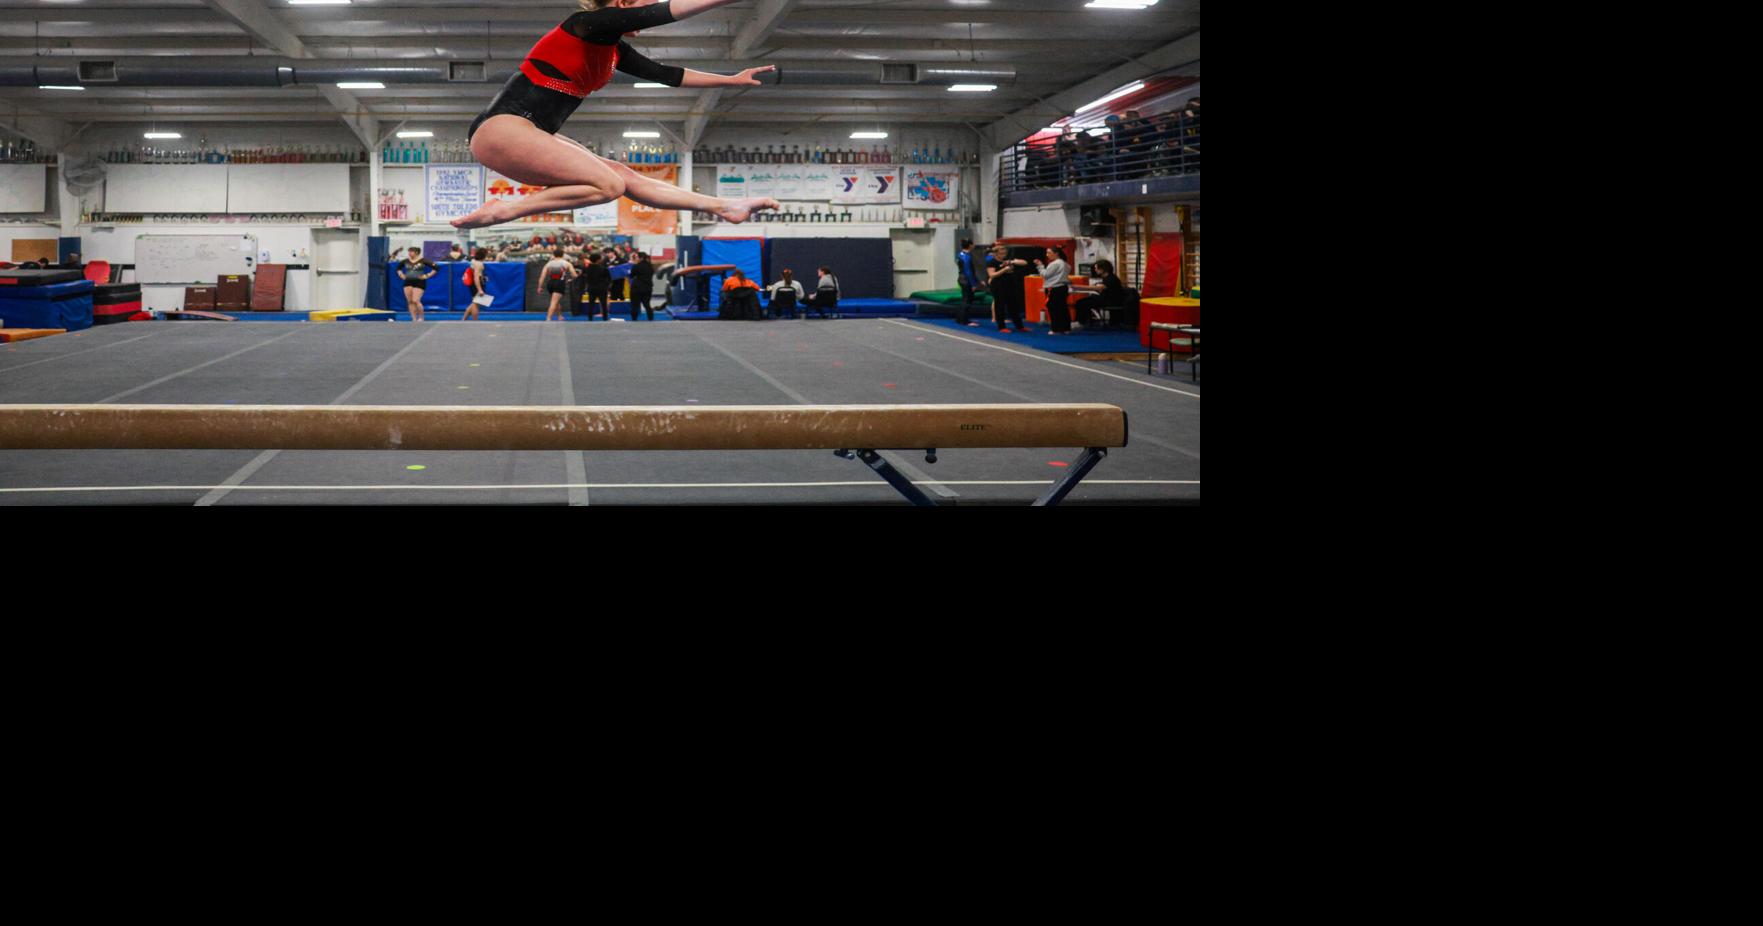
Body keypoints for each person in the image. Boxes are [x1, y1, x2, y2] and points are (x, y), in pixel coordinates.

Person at [453, 0, 781, 229]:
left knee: (625, 178)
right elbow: (667, 12)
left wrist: (731, 79)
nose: (648, 11)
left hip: (528, 130)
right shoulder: (585, 25)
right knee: (608, 185)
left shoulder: (612, 49)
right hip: (504, 128)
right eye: (644, 3)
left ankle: (724, 206)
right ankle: (504, 211)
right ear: (623, 4)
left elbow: (668, 75)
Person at [984, 245, 1030, 332]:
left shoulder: (1008, 260)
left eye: (1004, 253)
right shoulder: (992, 262)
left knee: (1013, 306)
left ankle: (1019, 326)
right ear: (996, 254)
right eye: (1001, 253)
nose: (1003, 255)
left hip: (1010, 284)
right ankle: (1001, 326)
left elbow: (1024, 262)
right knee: (1000, 305)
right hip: (998, 285)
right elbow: (992, 275)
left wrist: (1011, 261)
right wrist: (1004, 270)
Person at [1074, 258, 1126, 327]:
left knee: (1081, 303)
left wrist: (1078, 287)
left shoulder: (1111, 278)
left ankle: (1083, 322)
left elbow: (1099, 288)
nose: (1095, 270)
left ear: (1103, 269)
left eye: (1096, 268)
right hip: (1105, 298)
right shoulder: (1106, 277)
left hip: (1110, 300)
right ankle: (1085, 321)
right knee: (1082, 301)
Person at [1034, 246, 1072, 335]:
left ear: (1056, 253)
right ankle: (1066, 328)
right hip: (1062, 288)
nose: (1047, 255)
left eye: (1049, 253)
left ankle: (1056, 328)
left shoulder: (1055, 264)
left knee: (1054, 309)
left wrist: (1040, 265)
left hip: (1054, 288)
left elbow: (1045, 274)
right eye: (1047, 253)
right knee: (1063, 309)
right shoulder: (1065, 264)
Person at [397, 246, 436, 322]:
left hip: (419, 282)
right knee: (410, 301)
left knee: (416, 300)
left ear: (417, 253)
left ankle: (421, 317)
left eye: (411, 251)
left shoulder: (423, 260)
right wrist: (401, 275)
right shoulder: (405, 261)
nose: (409, 253)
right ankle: (414, 318)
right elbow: (398, 268)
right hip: (408, 281)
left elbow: (436, 268)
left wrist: (427, 275)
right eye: (409, 251)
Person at [539, 246, 578, 321]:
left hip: (550, 283)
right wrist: (571, 279)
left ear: (553, 255)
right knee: (554, 302)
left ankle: (559, 316)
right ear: (563, 255)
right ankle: (548, 318)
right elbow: (574, 275)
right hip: (559, 283)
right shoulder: (566, 263)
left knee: (556, 301)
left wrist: (539, 286)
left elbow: (542, 275)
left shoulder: (548, 263)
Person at [955, 239, 983, 326]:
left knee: (965, 300)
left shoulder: (960, 254)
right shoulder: (966, 257)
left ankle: (960, 318)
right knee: (967, 300)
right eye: (973, 244)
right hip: (966, 280)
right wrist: (973, 284)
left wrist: (978, 281)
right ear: (970, 245)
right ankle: (964, 321)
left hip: (962, 278)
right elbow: (968, 272)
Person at [462, 246, 490, 321]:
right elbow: (476, 277)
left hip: (475, 283)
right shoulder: (479, 264)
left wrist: (483, 277)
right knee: (476, 303)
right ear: (483, 255)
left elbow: (476, 274)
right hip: (477, 283)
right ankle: (475, 321)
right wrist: (480, 289)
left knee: (475, 302)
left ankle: (464, 319)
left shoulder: (473, 261)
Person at [583, 250, 612, 319]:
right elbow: (609, 279)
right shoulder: (603, 269)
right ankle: (605, 317)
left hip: (591, 287)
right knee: (603, 303)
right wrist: (606, 285)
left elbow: (585, 278)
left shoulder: (587, 269)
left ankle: (590, 317)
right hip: (602, 288)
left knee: (591, 303)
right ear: (598, 260)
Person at [628, 251, 655, 320]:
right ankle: (650, 318)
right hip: (648, 288)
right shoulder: (650, 266)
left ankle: (634, 318)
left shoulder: (636, 266)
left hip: (637, 288)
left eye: (637, 257)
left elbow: (631, 275)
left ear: (641, 258)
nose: (636, 258)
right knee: (647, 304)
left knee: (635, 305)